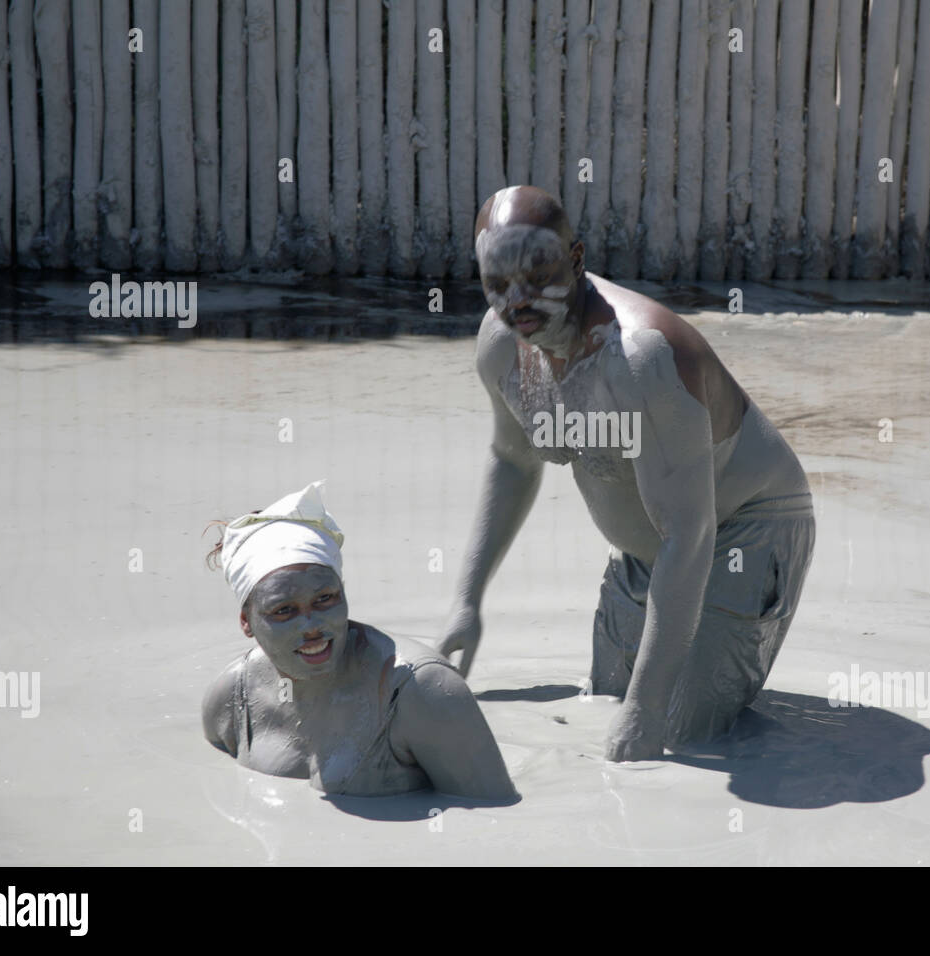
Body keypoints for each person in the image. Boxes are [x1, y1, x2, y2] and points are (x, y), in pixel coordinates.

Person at [439, 185, 816, 762]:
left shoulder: (644, 357)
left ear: (577, 259)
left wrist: (645, 709)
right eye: (497, 282)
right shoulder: (502, 347)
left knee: (680, 740)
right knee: (603, 707)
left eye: (538, 274)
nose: (518, 300)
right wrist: (467, 600)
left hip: (744, 528)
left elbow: (690, 534)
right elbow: (514, 461)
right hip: (645, 554)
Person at [202, 480, 516, 800]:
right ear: (246, 622)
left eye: (325, 599)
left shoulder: (421, 691)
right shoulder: (232, 699)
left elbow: (495, 820)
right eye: (284, 610)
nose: (311, 626)